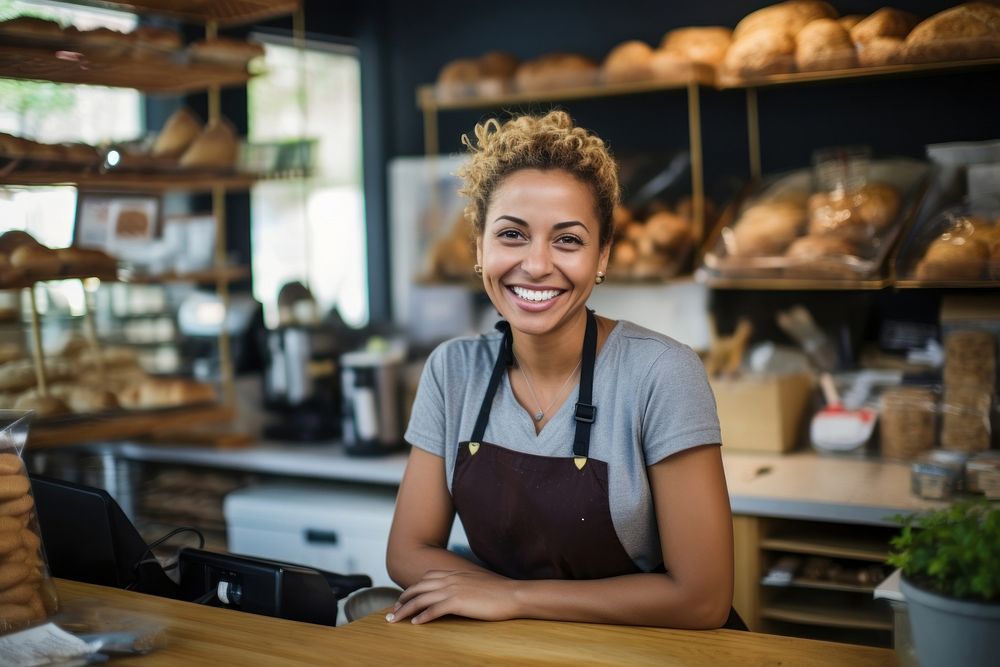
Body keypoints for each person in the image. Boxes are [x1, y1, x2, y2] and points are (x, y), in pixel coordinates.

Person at [386, 110, 735, 629]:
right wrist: (506, 600)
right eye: (512, 235)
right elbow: (406, 552)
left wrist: (514, 599)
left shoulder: (662, 374)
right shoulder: (452, 370)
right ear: (479, 247)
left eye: (567, 240)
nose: (537, 264)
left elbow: (702, 598)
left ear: (602, 255)